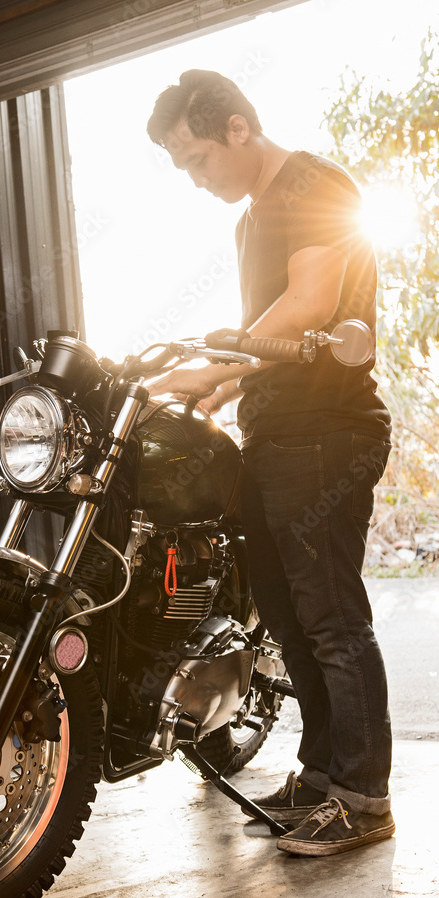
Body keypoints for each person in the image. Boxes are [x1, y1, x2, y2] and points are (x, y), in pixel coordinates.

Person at [146, 69, 394, 857]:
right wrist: (221, 390)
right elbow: (268, 337)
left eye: (197, 159)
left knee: (329, 616)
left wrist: (219, 366)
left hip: (327, 431)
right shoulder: (251, 221)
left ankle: (364, 797)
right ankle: (323, 776)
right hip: (275, 432)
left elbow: (311, 303)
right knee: (287, 620)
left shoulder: (313, 184)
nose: (194, 179)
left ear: (238, 130)